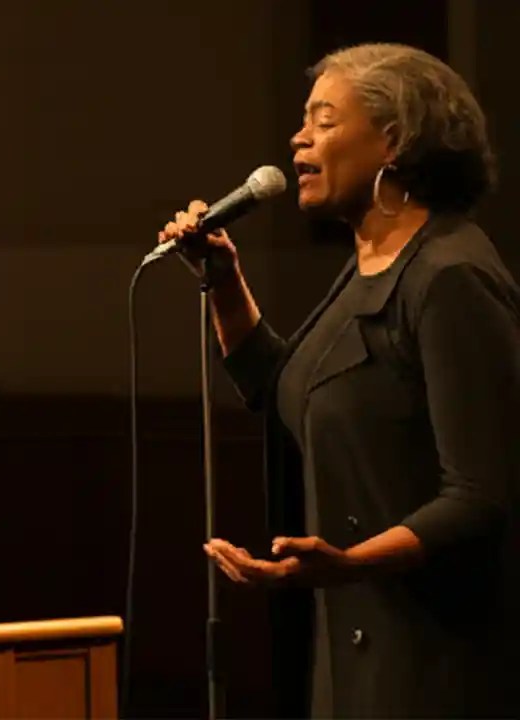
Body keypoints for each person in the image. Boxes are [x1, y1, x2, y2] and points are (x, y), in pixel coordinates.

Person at [158, 43, 519, 717]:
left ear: (395, 140)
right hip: (353, 653)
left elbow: (480, 494)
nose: (299, 137)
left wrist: (347, 564)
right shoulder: (370, 269)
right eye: (303, 119)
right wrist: (222, 278)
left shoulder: (450, 276)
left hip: (436, 669)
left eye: (324, 119)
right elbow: (280, 387)